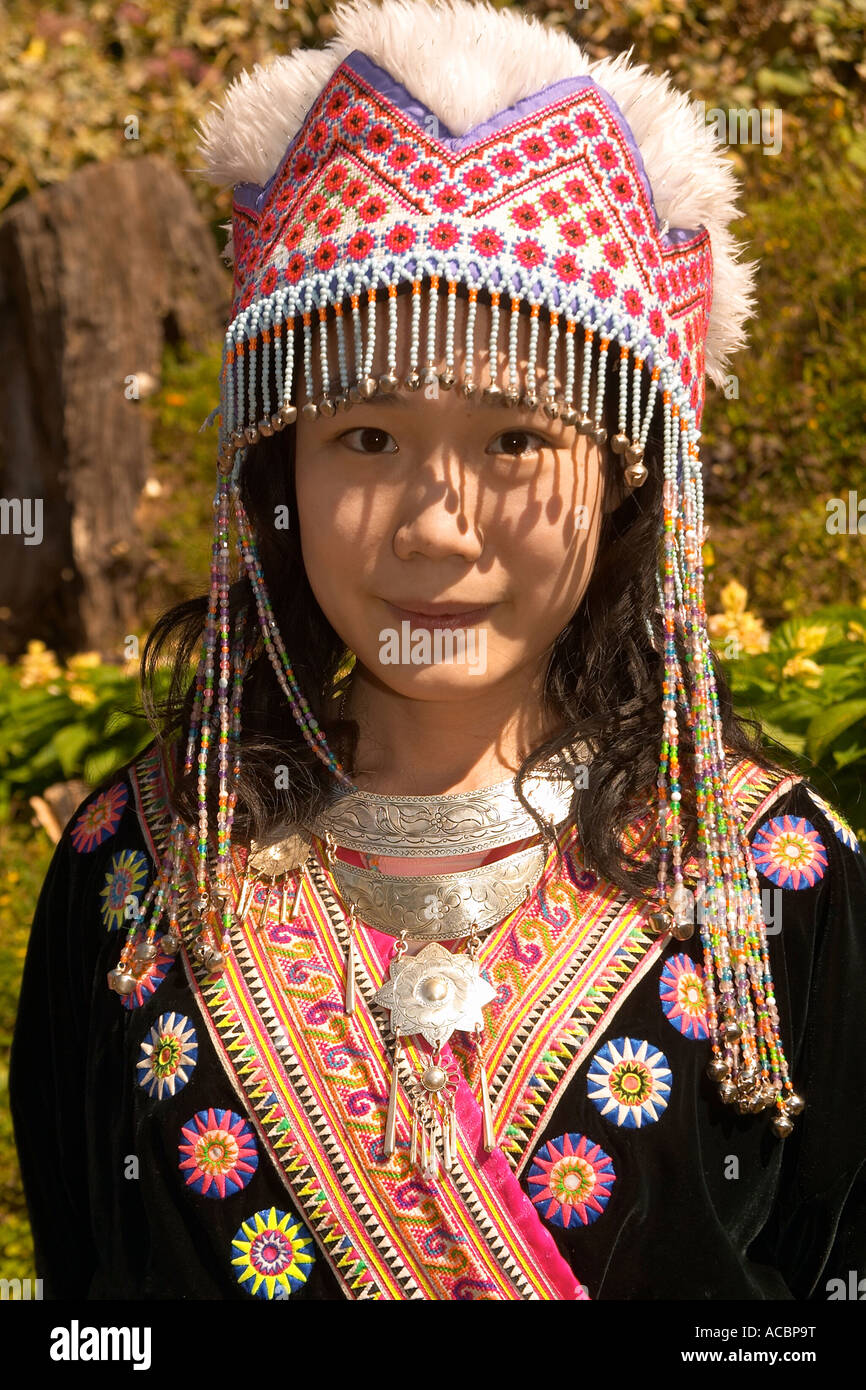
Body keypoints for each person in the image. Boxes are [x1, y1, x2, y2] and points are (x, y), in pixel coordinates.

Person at [10, 0, 866, 1302]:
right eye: (367, 438)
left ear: (626, 475)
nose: (436, 527)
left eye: (516, 439)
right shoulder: (138, 867)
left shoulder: (777, 883)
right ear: (279, 472)